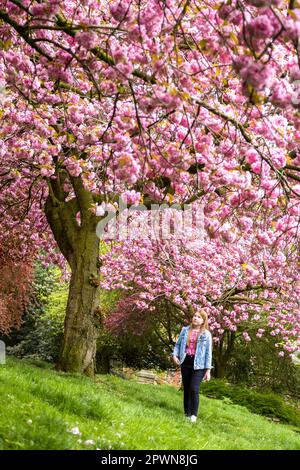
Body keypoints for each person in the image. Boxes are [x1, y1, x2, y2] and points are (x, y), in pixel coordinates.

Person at [172, 310, 212, 423]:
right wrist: (174, 355)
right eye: (194, 316)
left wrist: (208, 370)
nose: (195, 318)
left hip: (199, 365)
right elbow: (178, 345)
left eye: (199, 317)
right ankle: (187, 414)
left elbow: (209, 353)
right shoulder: (185, 330)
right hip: (185, 361)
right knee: (187, 389)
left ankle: (194, 416)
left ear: (203, 320)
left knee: (194, 389)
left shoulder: (206, 334)